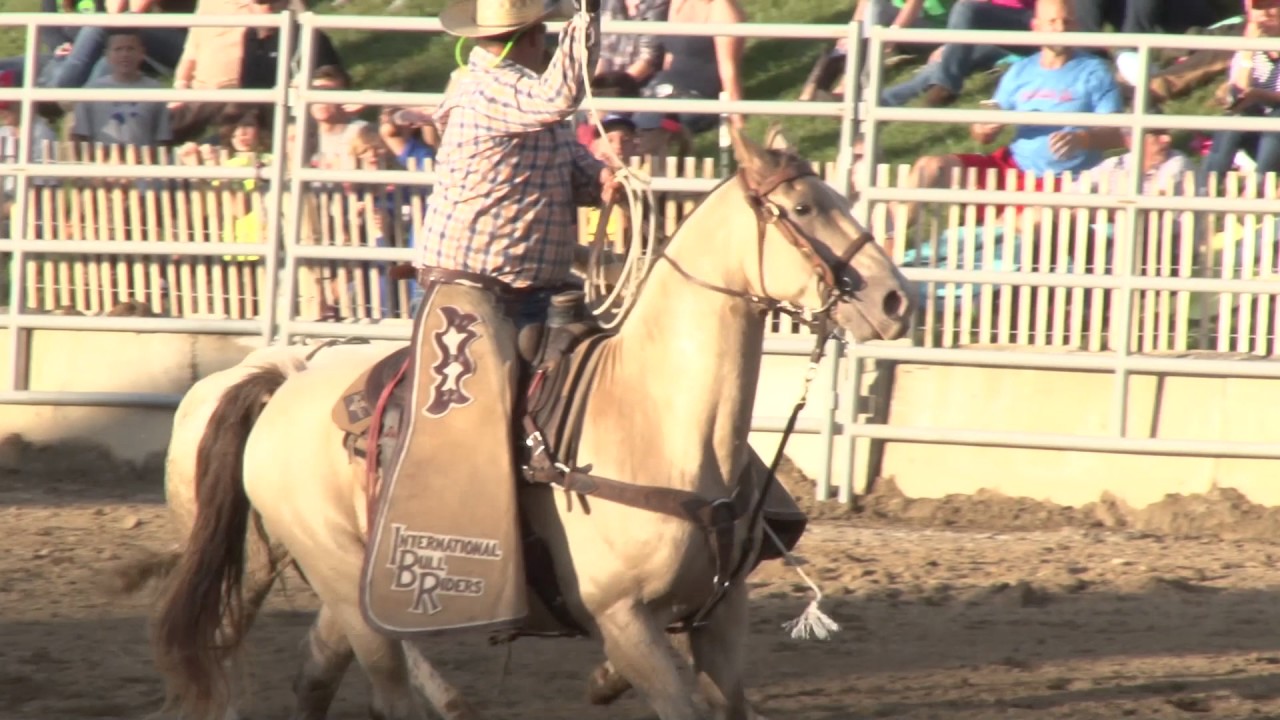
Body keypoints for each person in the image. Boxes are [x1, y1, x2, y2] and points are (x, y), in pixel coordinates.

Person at [897, 0, 1125, 225]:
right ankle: (890, 241)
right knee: (929, 167)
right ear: (1036, 27)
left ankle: (1000, 229)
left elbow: (1119, 134)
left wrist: (1083, 139)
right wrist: (983, 128)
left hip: (1063, 183)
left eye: (1067, 21)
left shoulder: (1095, 72)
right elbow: (984, 134)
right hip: (1011, 169)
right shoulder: (1020, 71)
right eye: (1052, 21)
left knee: (1031, 220)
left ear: (1076, 26)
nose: (1060, 28)